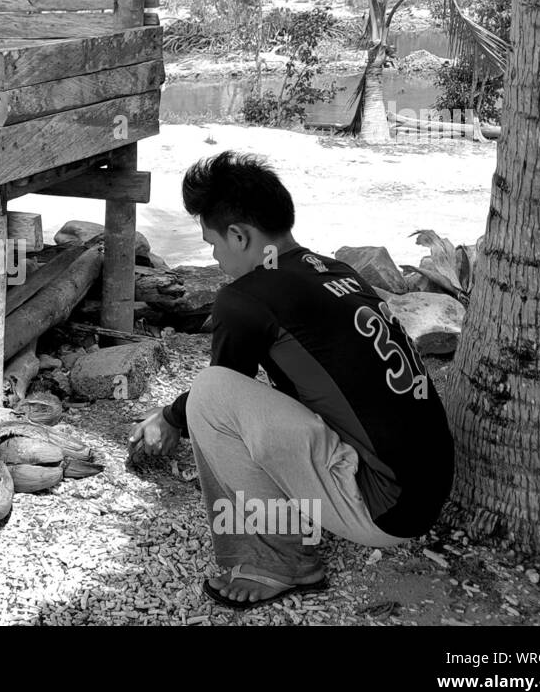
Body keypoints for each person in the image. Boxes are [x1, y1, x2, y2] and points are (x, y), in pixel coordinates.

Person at [128, 151, 454, 610]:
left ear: (240, 235)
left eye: (213, 244)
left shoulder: (244, 298)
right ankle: (305, 512)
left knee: (210, 394)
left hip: (385, 507)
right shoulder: (336, 272)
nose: (216, 257)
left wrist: (170, 417)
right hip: (429, 488)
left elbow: (222, 389)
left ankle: (280, 561)